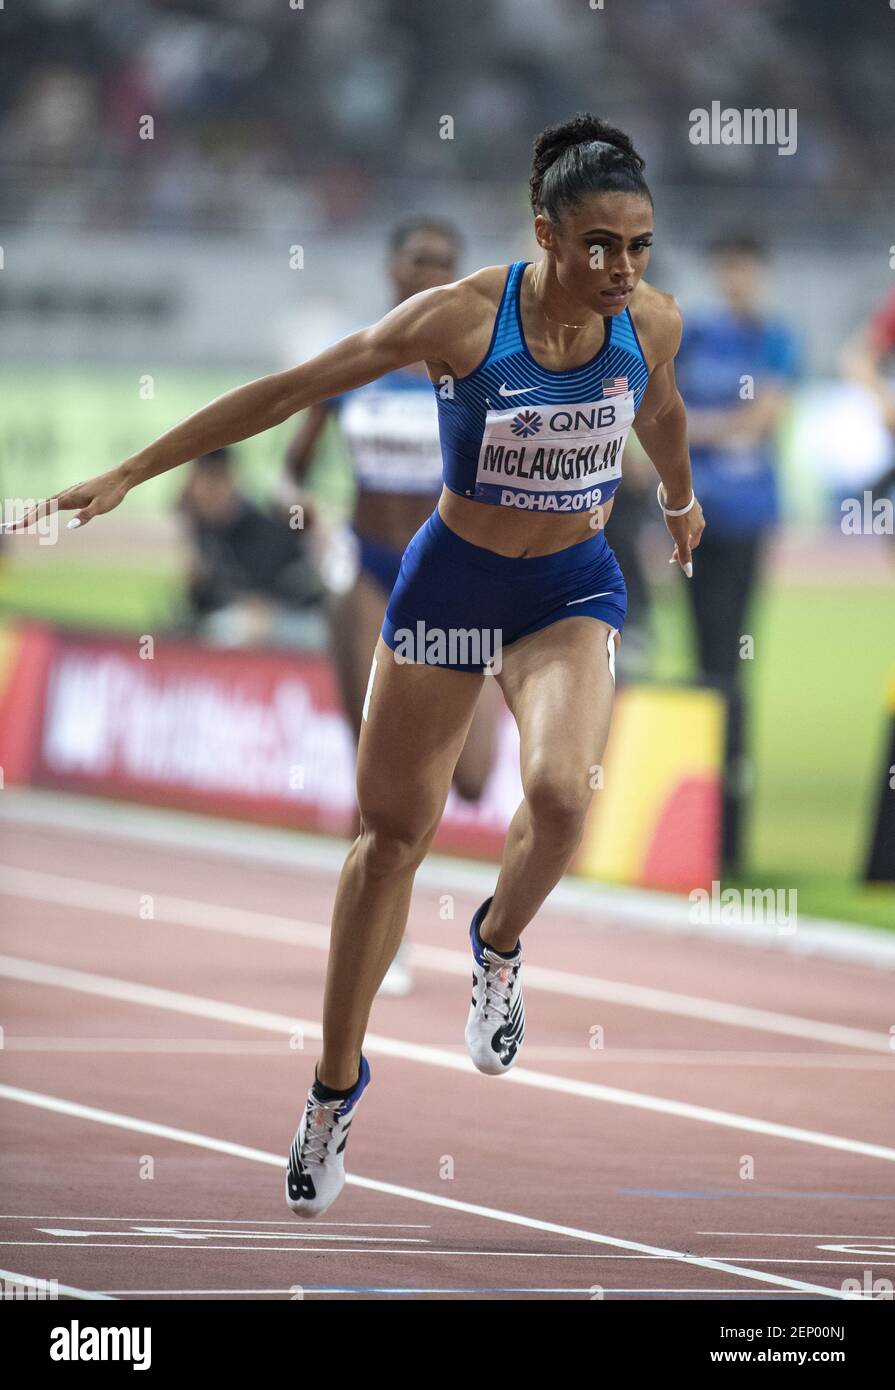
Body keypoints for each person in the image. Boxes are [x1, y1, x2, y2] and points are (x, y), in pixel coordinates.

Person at [8, 112, 704, 1221]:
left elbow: (658, 411)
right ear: (544, 234)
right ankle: (335, 1089)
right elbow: (296, 388)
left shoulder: (651, 321)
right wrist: (133, 470)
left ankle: (496, 943)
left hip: (566, 591)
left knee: (562, 800)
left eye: (640, 247)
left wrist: (674, 494)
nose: (622, 269)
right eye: (600, 247)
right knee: (390, 843)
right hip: (450, 590)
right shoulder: (463, 322)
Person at [281, 218, 502, 995]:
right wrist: (320, 536)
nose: (433, 270)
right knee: (378, 760)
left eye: (446, 261)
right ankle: (381, 933)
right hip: (369, 571)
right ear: (390, 266)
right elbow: (292, 475)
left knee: (470, 780)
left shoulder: (477, 367)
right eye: (419, 259)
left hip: (455, 576)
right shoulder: (359, 360)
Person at [674, 234, 800, 871]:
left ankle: (730, 833)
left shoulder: (775, 337)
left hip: (746, 520)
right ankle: (700, 829)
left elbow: (764, 420)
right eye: (728, 265)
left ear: (761, 272)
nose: (737, 278)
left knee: (729, 662)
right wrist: (715, 426)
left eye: (747, 266)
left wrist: (700, 426)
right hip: (693, 519)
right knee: (702, 659)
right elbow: (662, 406)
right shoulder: (694, 333)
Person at [177, 447, 321, 647]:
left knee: (227, 628)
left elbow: (260, 606)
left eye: (210, 483)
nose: (196, 493)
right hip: (251, 620)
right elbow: (199, 596)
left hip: (298, 619)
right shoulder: (205, 529)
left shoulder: (256, 529)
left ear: (226, 483)